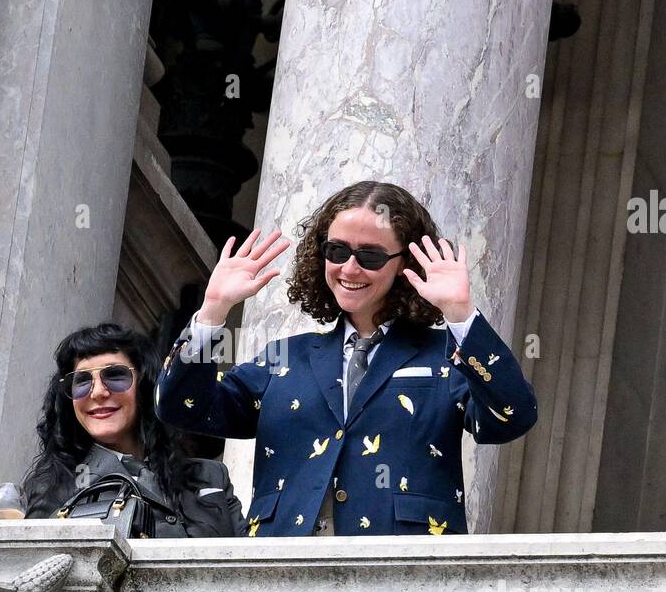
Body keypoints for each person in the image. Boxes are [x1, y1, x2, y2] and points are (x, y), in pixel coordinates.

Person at [155, 181, 538, 537]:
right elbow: (181, 408)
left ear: (406, 264)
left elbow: (511, 417)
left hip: (403, 572)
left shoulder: (446, 353)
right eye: (337, 251)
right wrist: (212, 312)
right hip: (281, 570)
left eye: (370, 256)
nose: (350, 269)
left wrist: (461, 315)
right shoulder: (285, 356)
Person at [20, 322, 246, 537]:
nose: (97, 392)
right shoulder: (54, 486)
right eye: (82, 381)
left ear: (145, 386)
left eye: (116, 375)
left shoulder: (211, 476)